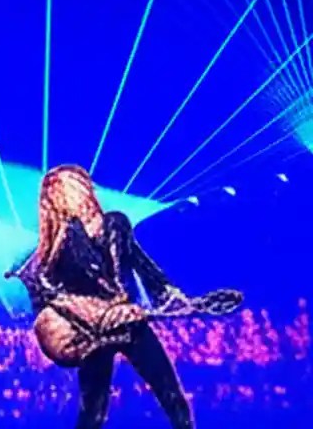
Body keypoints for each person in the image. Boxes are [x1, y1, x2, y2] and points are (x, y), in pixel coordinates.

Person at [15, 165, 194, 429]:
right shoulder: (59, 244)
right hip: (92, 332)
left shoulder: (116, 224)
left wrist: (165, 290)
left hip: (128, 320)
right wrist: (67, 324)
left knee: (170, 392)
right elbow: (42, 291)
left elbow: (139, 261)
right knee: (93, 410)